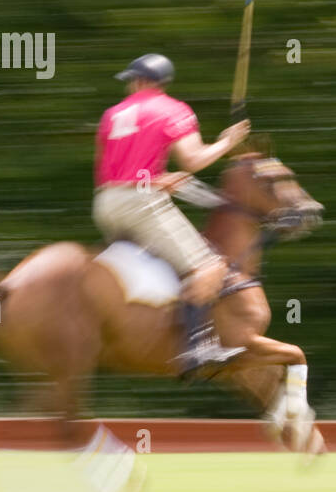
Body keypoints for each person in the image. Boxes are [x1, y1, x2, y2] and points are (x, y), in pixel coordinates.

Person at [92, 53, 251, 374]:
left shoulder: (112, 114)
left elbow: (110, 168)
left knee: (161, 262)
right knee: (207, 267)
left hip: (106, 205)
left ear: (138, 81)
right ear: (163, 82)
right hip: (140, 205)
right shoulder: (173, 109)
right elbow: (193, 160)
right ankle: (197, 348)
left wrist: (155, 179)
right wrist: (226, 142)